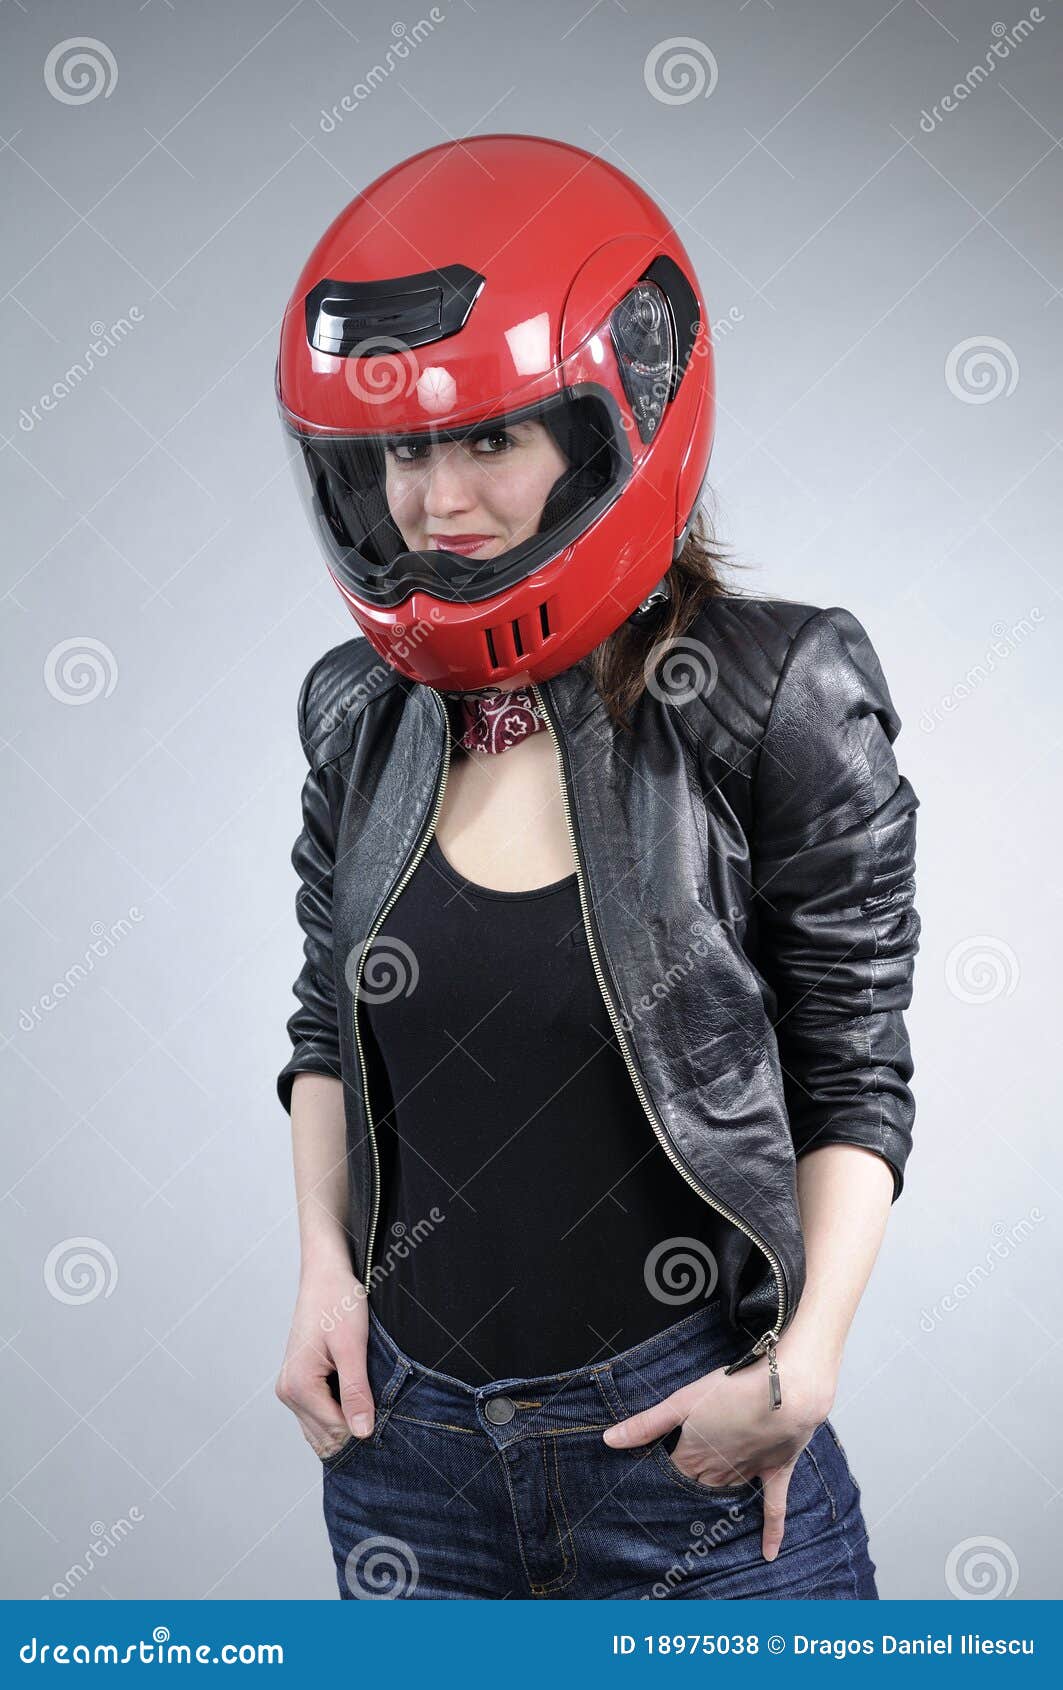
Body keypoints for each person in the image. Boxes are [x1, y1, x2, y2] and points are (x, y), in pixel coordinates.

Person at [272, 135, 920, 1601]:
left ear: (619, 408)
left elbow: (854, 1068)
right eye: (401, 448)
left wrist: (799, 1370)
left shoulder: (777, 691)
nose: (434, 496)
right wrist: (325, 1273)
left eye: (491, 438)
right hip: (412, 1457)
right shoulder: (355, 714)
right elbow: (326, 1027)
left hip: (689, 1458)